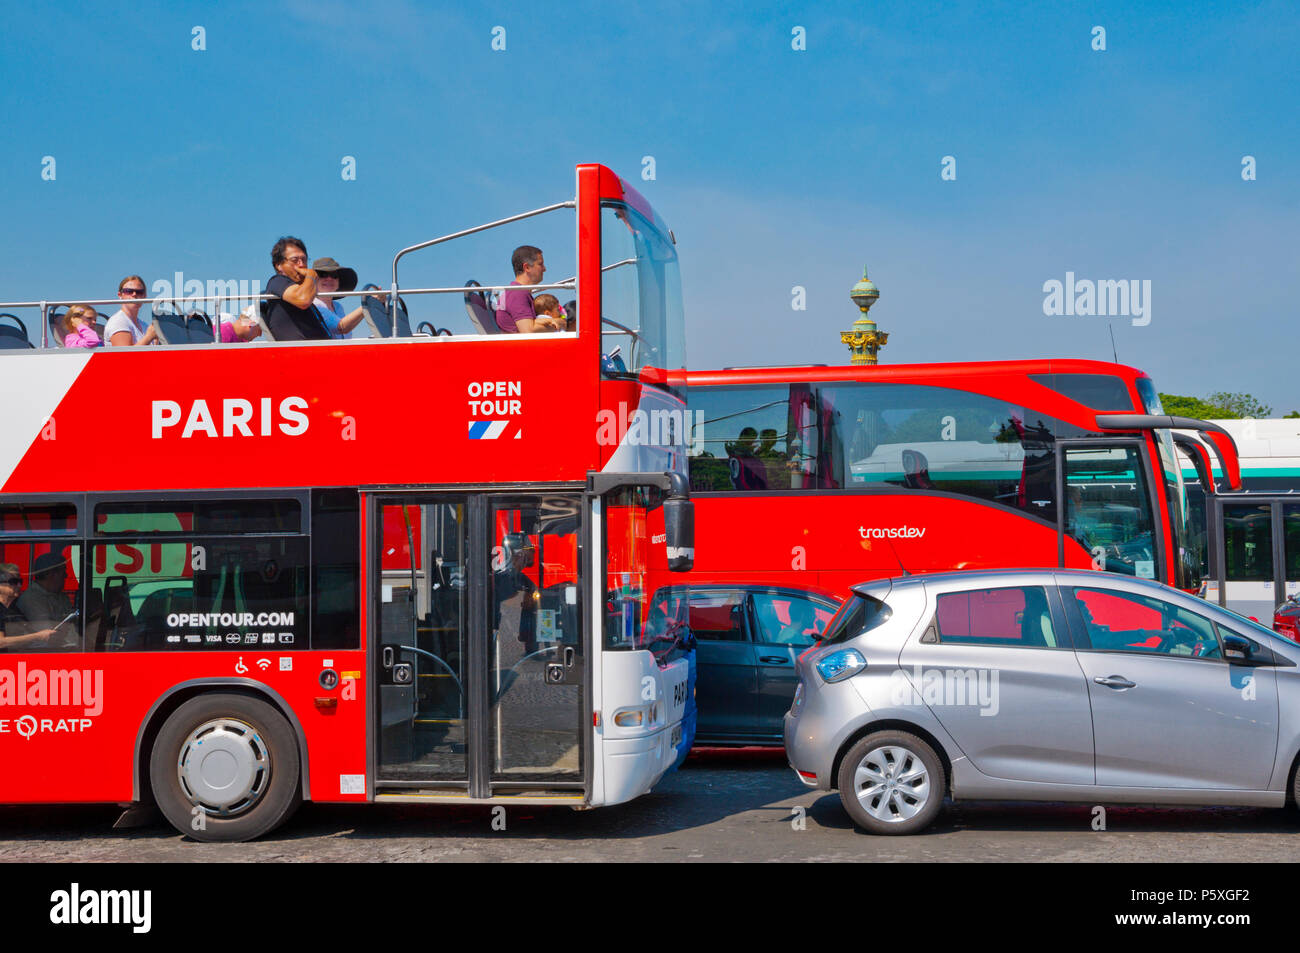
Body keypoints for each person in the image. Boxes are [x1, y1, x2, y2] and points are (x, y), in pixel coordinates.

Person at [264, 237, 329, 341]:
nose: (302, 265)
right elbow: (303, 300)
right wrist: (311, 275)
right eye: (295, 260)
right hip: (301, 353)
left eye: (304, 260)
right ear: (279, 265)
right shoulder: (277, 281)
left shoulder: (303, 290)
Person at [495, 246, 563, 333]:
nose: (544, 269)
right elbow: (528, 331)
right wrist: (561, 324)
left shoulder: (517, 292)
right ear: (527, 267)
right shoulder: (517, 294)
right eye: (540, 264)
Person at [17, 553, 77, 650]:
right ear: (50, 574)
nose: (66, 576)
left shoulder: (61, 596)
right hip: (43, 652)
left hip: (68, 648)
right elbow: (50, 633)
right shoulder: (31, 598)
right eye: (63, 573)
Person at [0, 563, 55, 651]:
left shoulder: (14, 608)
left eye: (20, 582)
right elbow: (1, 642)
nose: (19, 586)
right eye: (13, 582)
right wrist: (37, 636)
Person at [310, 257, 368, 339]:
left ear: (338, 283)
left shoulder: (338, 307)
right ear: (314, 280)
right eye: (323, 274)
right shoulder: (312, 305)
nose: (329, 278)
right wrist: (367, 305)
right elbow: (341, 327)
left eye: (334, 275)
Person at [105, 274, 159, 346]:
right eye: (129, 291)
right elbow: (125, 356)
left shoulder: (144, 325)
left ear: (144, 296)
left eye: (139, 292)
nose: (134, 294)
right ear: (120, 295)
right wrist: (149, 337)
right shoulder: (118, 321)